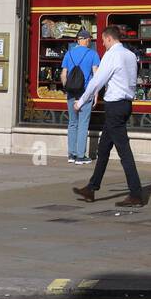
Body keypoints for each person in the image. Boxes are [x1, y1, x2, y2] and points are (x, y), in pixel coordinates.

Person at [72, 25, 144, 206]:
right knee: (103, 150)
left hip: (114, 106)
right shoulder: (129, 55)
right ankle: (91, 188)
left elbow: (97, 81)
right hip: (126, 104)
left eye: (103, 40)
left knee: (124, 152)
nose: (102, 44)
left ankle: (136, 194)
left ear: (109, 38)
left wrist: (80, 102)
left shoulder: (112, 55)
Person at [61, 28, 100, 165]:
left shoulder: (69, 54)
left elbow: (64, 74)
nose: (90, 41)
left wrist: (67, 89)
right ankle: (80, 156)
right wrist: (96, 94)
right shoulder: (93, 54)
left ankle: (71, 154)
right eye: (89, 39)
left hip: (71, 92)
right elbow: (96, 76)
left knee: (72, 123)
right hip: (86, 93)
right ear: (85, 39)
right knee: (83, 124)